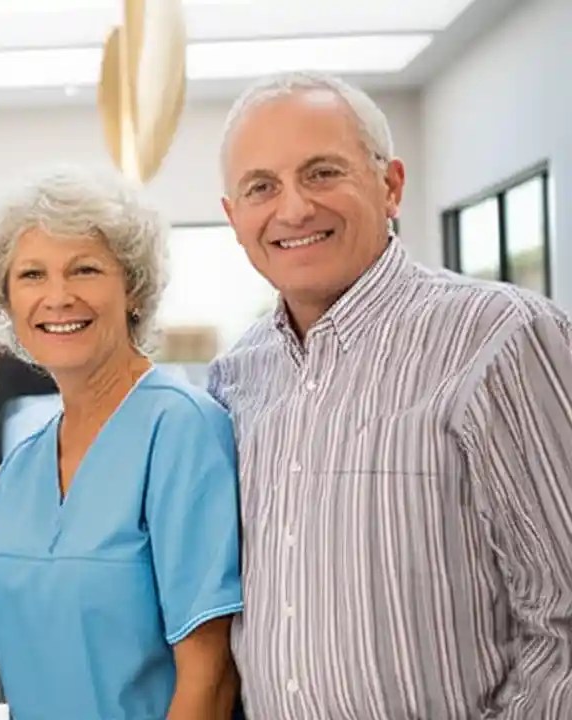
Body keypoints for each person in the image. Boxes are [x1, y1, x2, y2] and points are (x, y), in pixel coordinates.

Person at [209, 71, 572, 719]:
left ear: (391, 185)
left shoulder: (506, 338)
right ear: (234, 216)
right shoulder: (236, 379)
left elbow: (563, 622)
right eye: (261, 187)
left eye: (322, 173)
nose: (292, 209)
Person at [0, 167, 243, 720]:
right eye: (32, 275)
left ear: (134, 291)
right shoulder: (20, 470)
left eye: (86, 269)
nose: (58, 296)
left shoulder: (181, 430)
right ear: (8, 300)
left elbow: (210, 678)